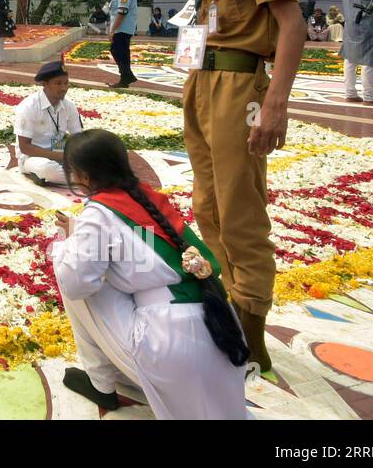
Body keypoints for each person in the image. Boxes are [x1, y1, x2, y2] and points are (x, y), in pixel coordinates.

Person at [120, 0, 305, 375]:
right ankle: (227, 307)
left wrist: (276, 106)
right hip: (200, 85)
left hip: (239, 88)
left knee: (240, 210)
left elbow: (292, 25)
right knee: (207, 205)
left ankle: (252, 332)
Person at [51, 129, 250, 418]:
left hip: (166, 347)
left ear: (82, 175)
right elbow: (142, 258)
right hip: (222, 333)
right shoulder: (148, 198)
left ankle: (101, 382)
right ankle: (121, 371)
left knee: (68, 267)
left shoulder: (98, 212)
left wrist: (71, 241)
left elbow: (76, 284)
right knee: (101, 269)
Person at [14, 61, 83, 185]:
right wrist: (59, 157)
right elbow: (25, 147)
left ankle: (77, 176)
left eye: (66, 83)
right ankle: (86, 179)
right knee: (47, 168)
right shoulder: (28, 107)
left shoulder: (69, 106)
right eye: (58, 83)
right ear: (44, 84)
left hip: (60, 151)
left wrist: (77, 155)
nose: (64, 88)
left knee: (97, 153)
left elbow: (78, 137)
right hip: (32, 158)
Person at [108, 0, 138, 88]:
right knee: (122, 52)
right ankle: (126, 78)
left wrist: (113, 30)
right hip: (124, 28)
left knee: (118, 51)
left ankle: (126, 76)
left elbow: (122, 12)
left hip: (122, 28)